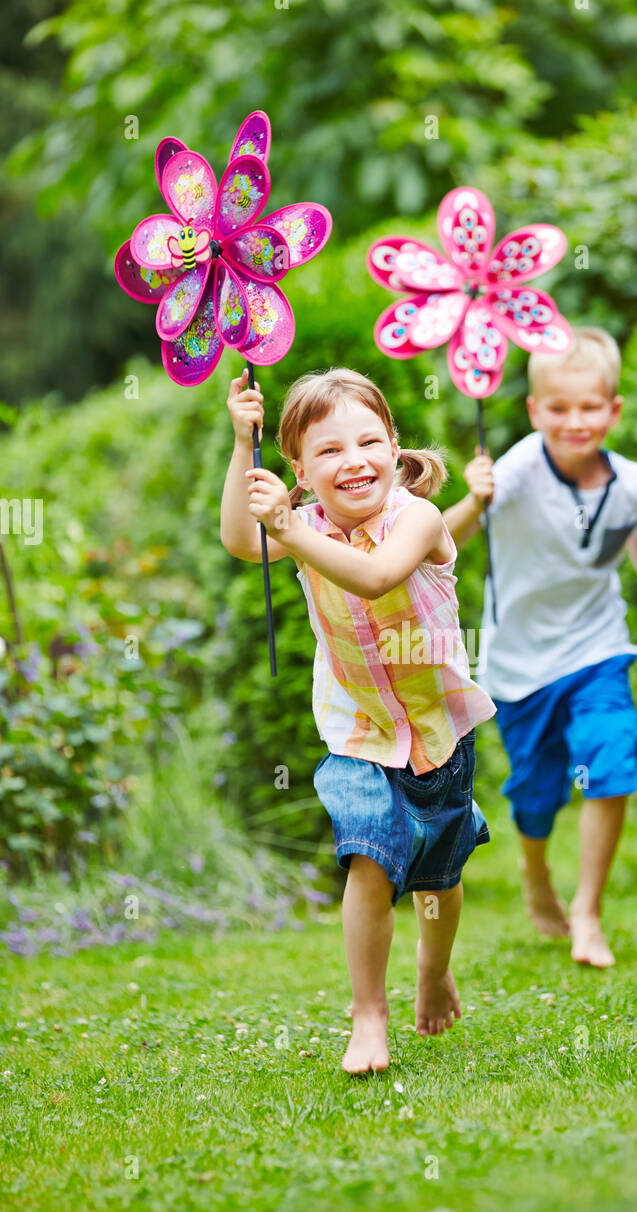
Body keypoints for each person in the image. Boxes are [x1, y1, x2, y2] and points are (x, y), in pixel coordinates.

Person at [221, 367, 495, 1072]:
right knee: (369, 856)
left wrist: (286, 527)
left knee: (439, 870)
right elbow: (241, 543)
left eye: (370, 441)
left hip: (439, 729)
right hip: (358, 729)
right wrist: (237, 446)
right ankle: (368, 1014)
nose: (355, 461)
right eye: (330, 451)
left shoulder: (418, 519)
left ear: (395, 446)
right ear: (301, 473)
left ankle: (433, 971)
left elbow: (375, 577)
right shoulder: (303, 523)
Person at [443, 328, 637, 967]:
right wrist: (475, 497)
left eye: (589, 407)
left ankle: (588, 910)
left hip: (598, 648)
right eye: (558, 407)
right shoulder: (517, 470)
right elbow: (446, 541)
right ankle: (535, 872)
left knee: (612, 752)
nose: (574, 421)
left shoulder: (632, 482)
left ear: (614, 409)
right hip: (519, 666)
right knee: (535, 792)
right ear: (534, 410)